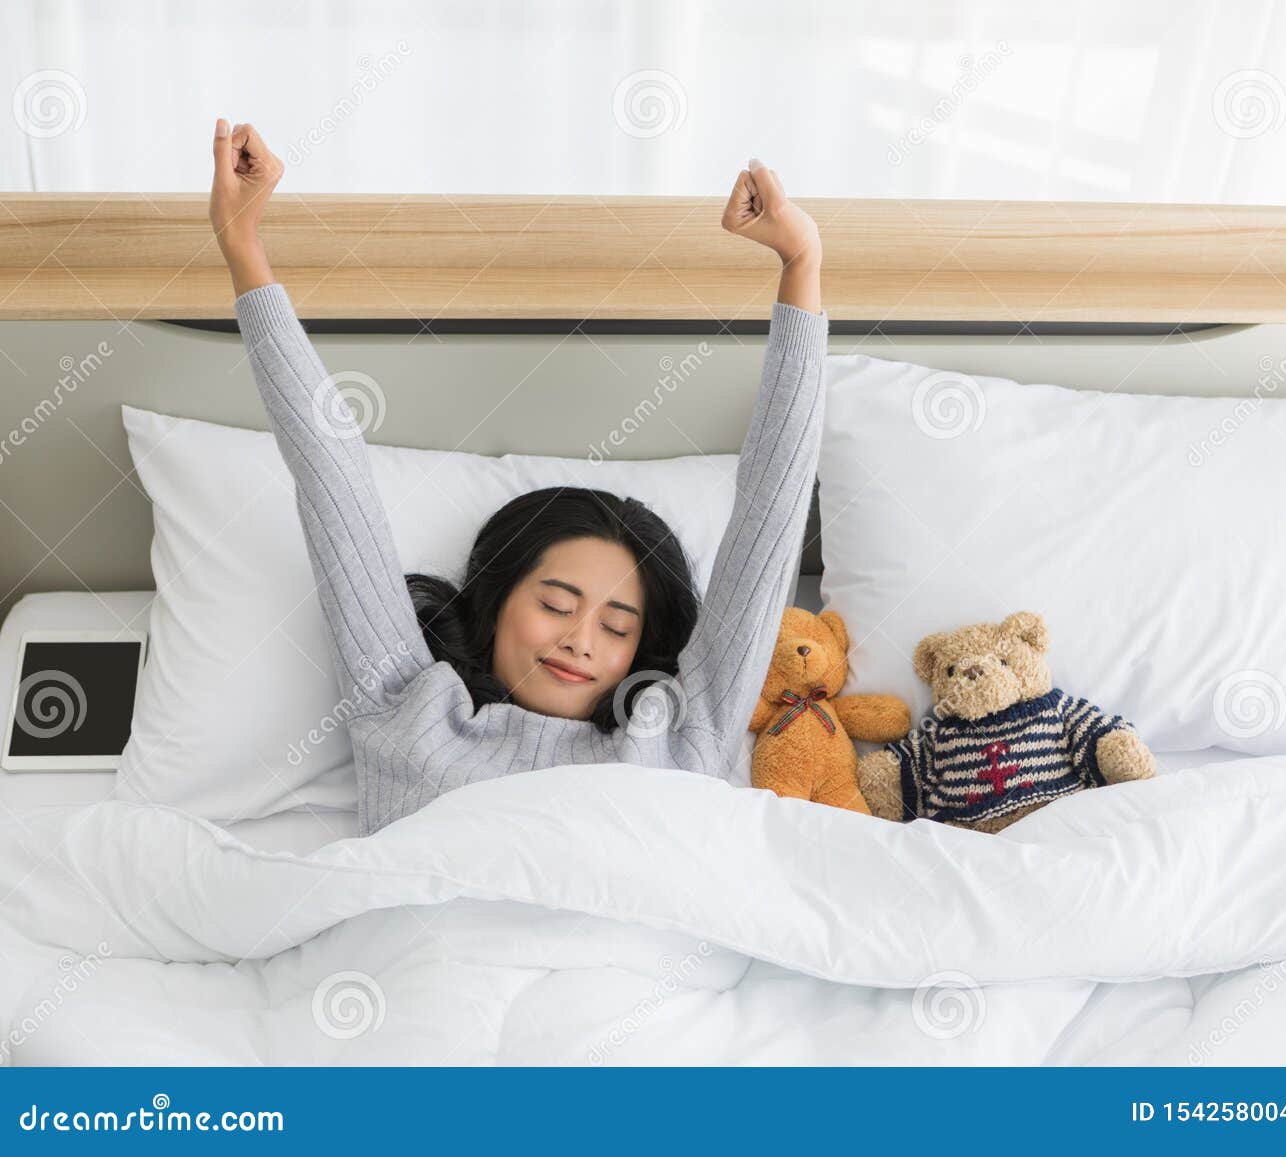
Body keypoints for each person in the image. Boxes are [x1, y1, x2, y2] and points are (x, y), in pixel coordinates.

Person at [208, 117, 828, 835]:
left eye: (616, 626)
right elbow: (331, 476)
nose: (582, 641)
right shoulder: (405, 705)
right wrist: (243, 246)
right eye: (558, 604)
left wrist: (801, 263)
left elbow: (770, 514)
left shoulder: (680, 734)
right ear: (496, 600)